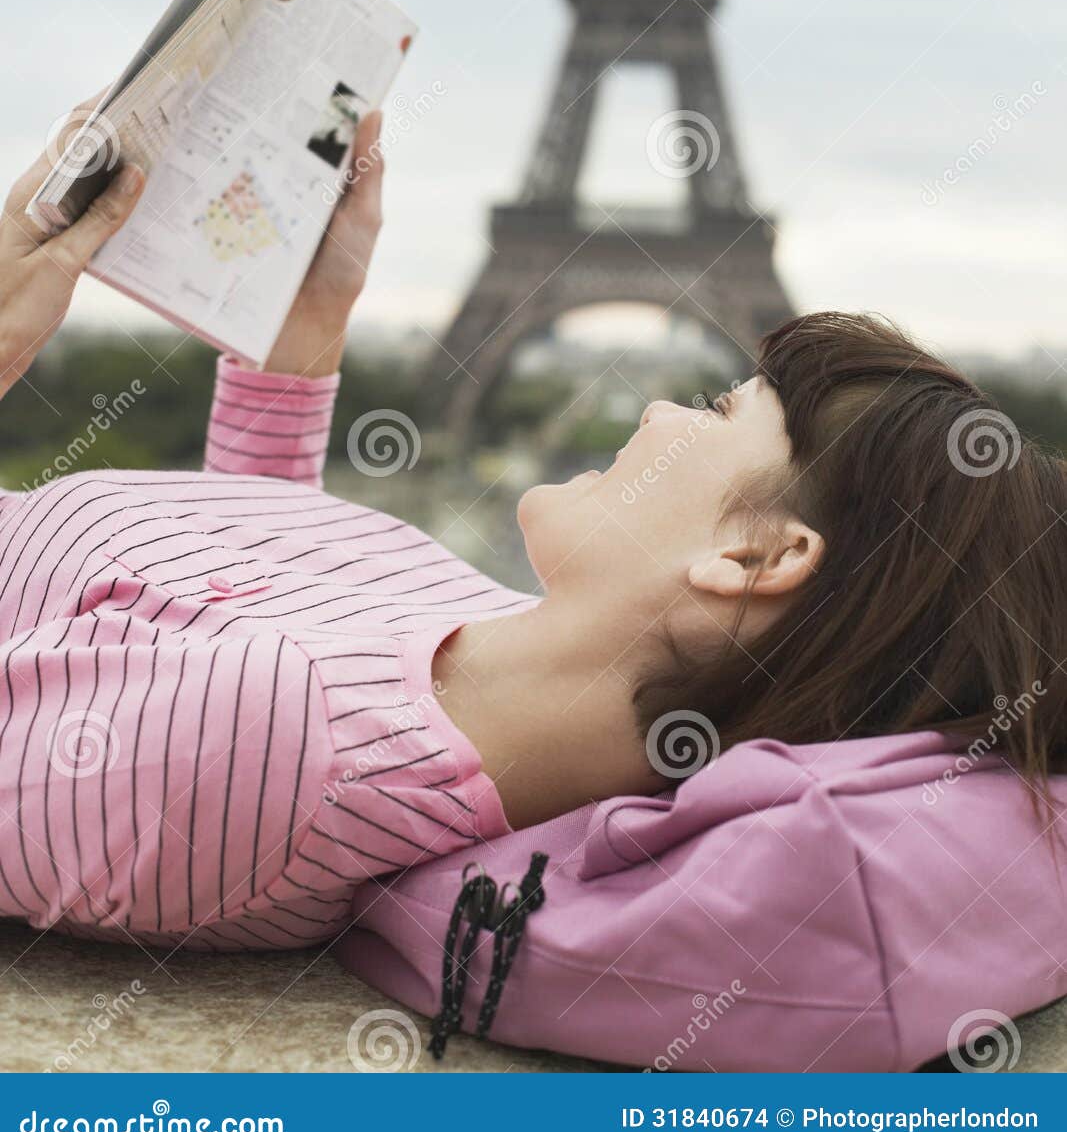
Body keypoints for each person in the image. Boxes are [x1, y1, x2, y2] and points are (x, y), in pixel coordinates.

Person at [0, 104, 1064, 954]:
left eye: (715, 408)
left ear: (752, 557)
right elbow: (220, 611)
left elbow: (223, 716)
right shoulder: (485, 651)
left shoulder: (279, 753)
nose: (654, 410)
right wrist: (296, 351)